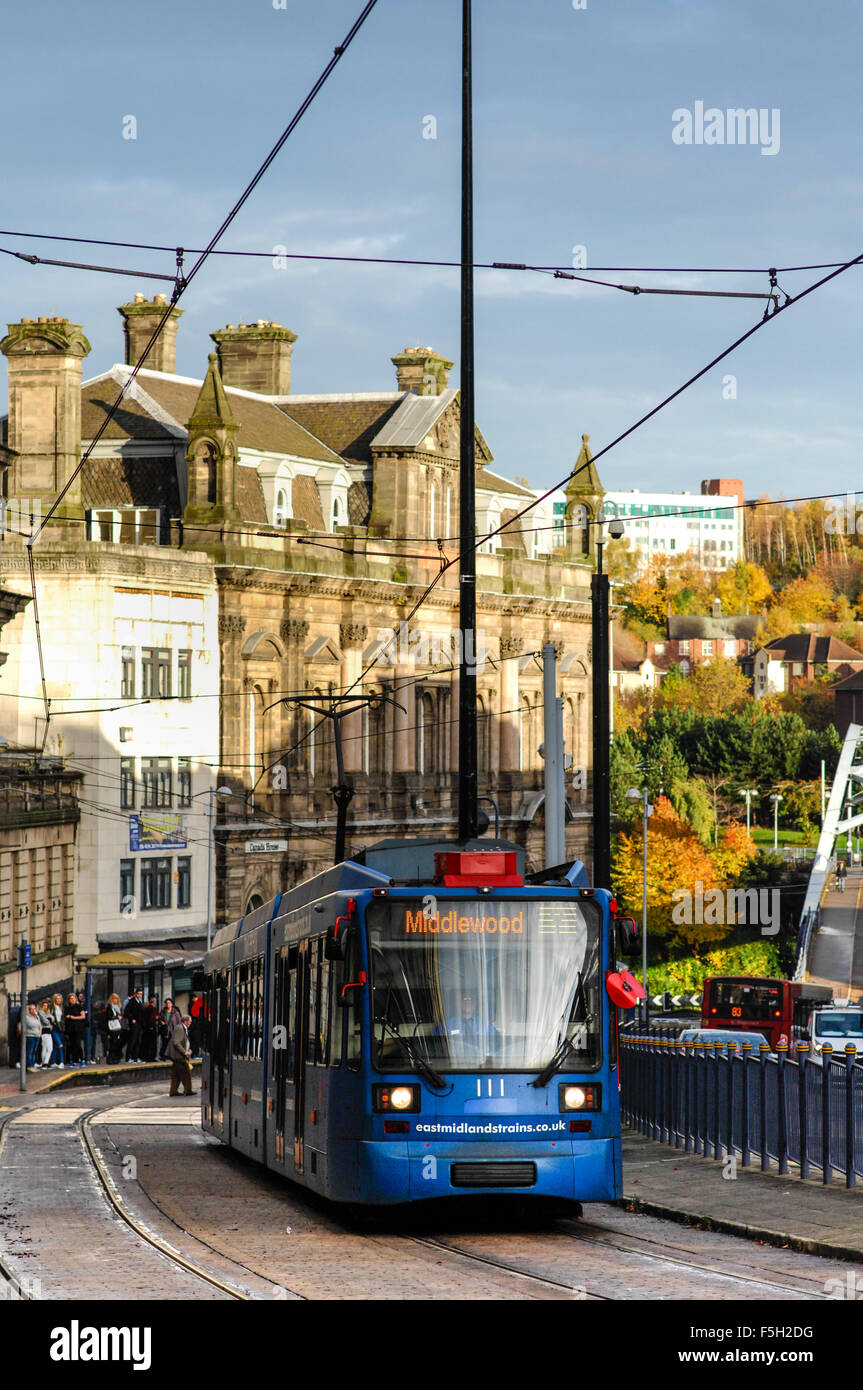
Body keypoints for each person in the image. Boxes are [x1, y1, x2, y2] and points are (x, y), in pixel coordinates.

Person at [167, 1015, 195, 1096]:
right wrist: (184, 1052)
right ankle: (188, 1090)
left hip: (177, 1056)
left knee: (176, 1075)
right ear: (185, 1021)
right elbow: (176, 1042)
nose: (190, 1023)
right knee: (186, 1073)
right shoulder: (180, 1028)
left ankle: (173, 1091)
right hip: (179, 1056)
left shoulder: (181, 1028)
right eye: (190, 1021)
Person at [65, 992, 87, 1066]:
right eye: (71, 998)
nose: (72, 1000)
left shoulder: (79, 1006)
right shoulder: (67, 1008)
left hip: (78, 1027)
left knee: (78, 1044)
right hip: (71, 1028)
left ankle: (82, 1059)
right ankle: (74, 1060)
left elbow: (83, 1016)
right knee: (72, 1044)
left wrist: (73, 1017)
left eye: (73, 998)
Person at [124, 987, 145, 1062]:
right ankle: (128, 1057)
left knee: (138, 1041)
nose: (140, 995)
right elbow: (126, 1012)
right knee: (132, 1040)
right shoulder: (132, 1002)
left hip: (139, 1024)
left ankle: (135, 1057)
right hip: (134, 1024)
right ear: (135, 994)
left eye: (141, 994)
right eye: (138, 994)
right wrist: (132, 1019)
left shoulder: (140, 1002)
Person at [105, 993, 124, 1063]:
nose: (116, 1000)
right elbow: (108, 1017)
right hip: (112, 1027)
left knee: (117, 1043)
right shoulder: (109, 1007)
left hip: (117, 1027)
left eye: (117, 999)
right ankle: (111, 1058)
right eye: (114, 999)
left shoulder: (118, 1008)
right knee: (113, 1043)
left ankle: (116, 1057)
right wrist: (116, 1017)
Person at [23, 1004, 42, 1069]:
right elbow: (31, 1025)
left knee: (34, 1051)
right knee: (30, 1051)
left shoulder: (37, 1017)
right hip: (30, 1036)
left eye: (35, 1009)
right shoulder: (27, 1017)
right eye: (32, 1009)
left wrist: (40, 1034)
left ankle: (33, 1065)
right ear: (30, 1010)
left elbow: (40, 1025)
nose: (34, 1010)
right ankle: (29, 1065)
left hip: (37, 1036)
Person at [49, 994, 65, 1068]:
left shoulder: (61, 1008)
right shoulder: (52, 1007)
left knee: (55, 1046)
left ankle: (52, 1062)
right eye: (57, 999)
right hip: (55, 1027)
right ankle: (62, 1061)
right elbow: (50, 1017)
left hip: (60, 1028)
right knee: (60, 1044)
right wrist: (53, 1023)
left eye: (60, 999)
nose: (58, 1000)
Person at [142, 996, 159, 1063]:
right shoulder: (152, 1009)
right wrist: (152, 1025)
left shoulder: (147, 1008)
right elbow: (152, 1018)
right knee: (152, 1043)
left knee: (148, 1043)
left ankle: (148, 1057)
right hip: (151, 1027)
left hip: (147, 1027)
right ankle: (151, 1057)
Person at [37, 1001, 54, 1068]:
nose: (45, 1007)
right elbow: (45, 1021)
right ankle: (45, 1062)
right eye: (44, 1005)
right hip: (44, 1031)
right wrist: (49, 1019)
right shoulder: (40, 1012)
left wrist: (50, 1018)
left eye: (46, 1006)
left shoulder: (47, 1013)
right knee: (47, 1048)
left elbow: (52, 1019)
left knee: (47, 1048)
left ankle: (44, 1062)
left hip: (48, 1031)